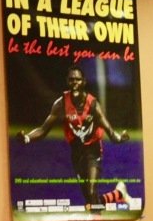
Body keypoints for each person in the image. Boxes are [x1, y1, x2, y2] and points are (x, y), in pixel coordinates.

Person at [21, 65, 129, 212]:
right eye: (71, 80)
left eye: (78, 79)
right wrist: (27, 138)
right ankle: (118, 194)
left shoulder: (93, 105)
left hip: (93, 150)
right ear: (67, 82)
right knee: (90, 201)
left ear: (83, 82)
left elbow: (110, 131)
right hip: (77, 153)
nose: (75, 83)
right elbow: (43, 129)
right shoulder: (61, 104)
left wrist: (120, 137)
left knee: (91, 192)